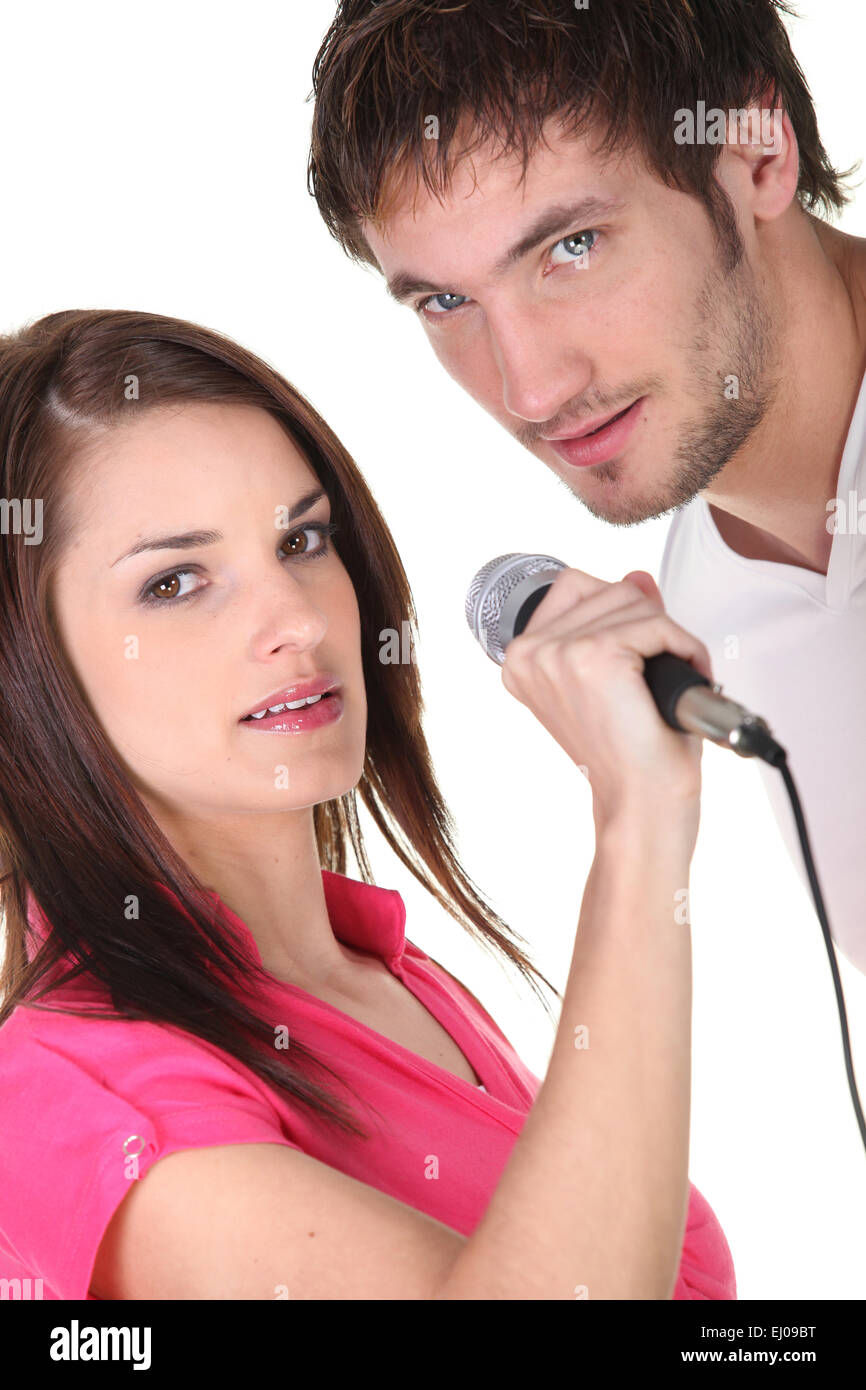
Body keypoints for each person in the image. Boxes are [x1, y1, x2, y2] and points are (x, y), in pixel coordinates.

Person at [0, 308, 732, 1300]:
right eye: (175, 581)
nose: (297, 620)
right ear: (26, 673)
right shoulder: (63, 1090)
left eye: (301, 539)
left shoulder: (390, 975)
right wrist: (637, 824)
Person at [307, 0, 866, 975]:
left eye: (571, 247)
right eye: (447, 302)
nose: (530, 388)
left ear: (755, 152)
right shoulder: (700, 599)